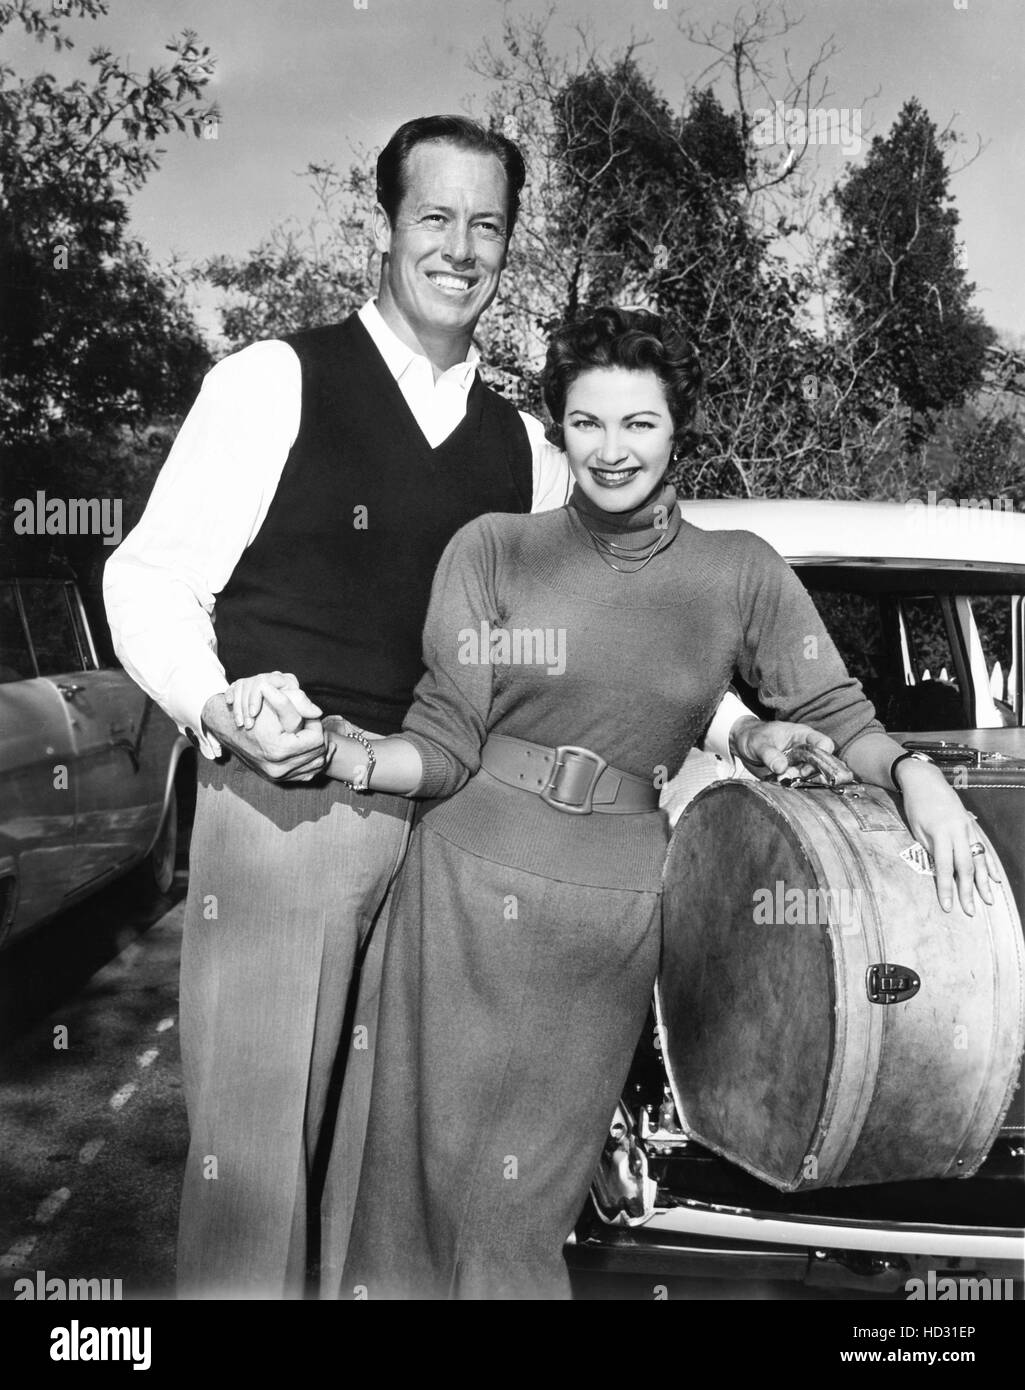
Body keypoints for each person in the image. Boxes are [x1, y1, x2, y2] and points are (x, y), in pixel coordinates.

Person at [103, 117, 789, 1298]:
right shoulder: (274, 379)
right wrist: (218, 705)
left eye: (487, 224)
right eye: (436, 216)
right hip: (283, 819)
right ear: (386, 227)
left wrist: (734, 728)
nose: (460, 247)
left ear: (508, 244)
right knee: (253, 1173)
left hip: (449, 841)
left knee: (390, 1185)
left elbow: (621, 628)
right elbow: (147, 578)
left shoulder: (523, 449)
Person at [232, 307, 994, 1300]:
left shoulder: (738, 572)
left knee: (520, 1214)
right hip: (456, 890)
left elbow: (834, 708)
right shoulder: (490, 550)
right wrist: (334, 750)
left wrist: (915, 777)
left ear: (680, 431)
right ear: (559, 429)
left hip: (609, 912)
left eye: (638, 423)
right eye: (586, 423)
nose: (610, 448)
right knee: (404, 1193)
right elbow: (444, 742)